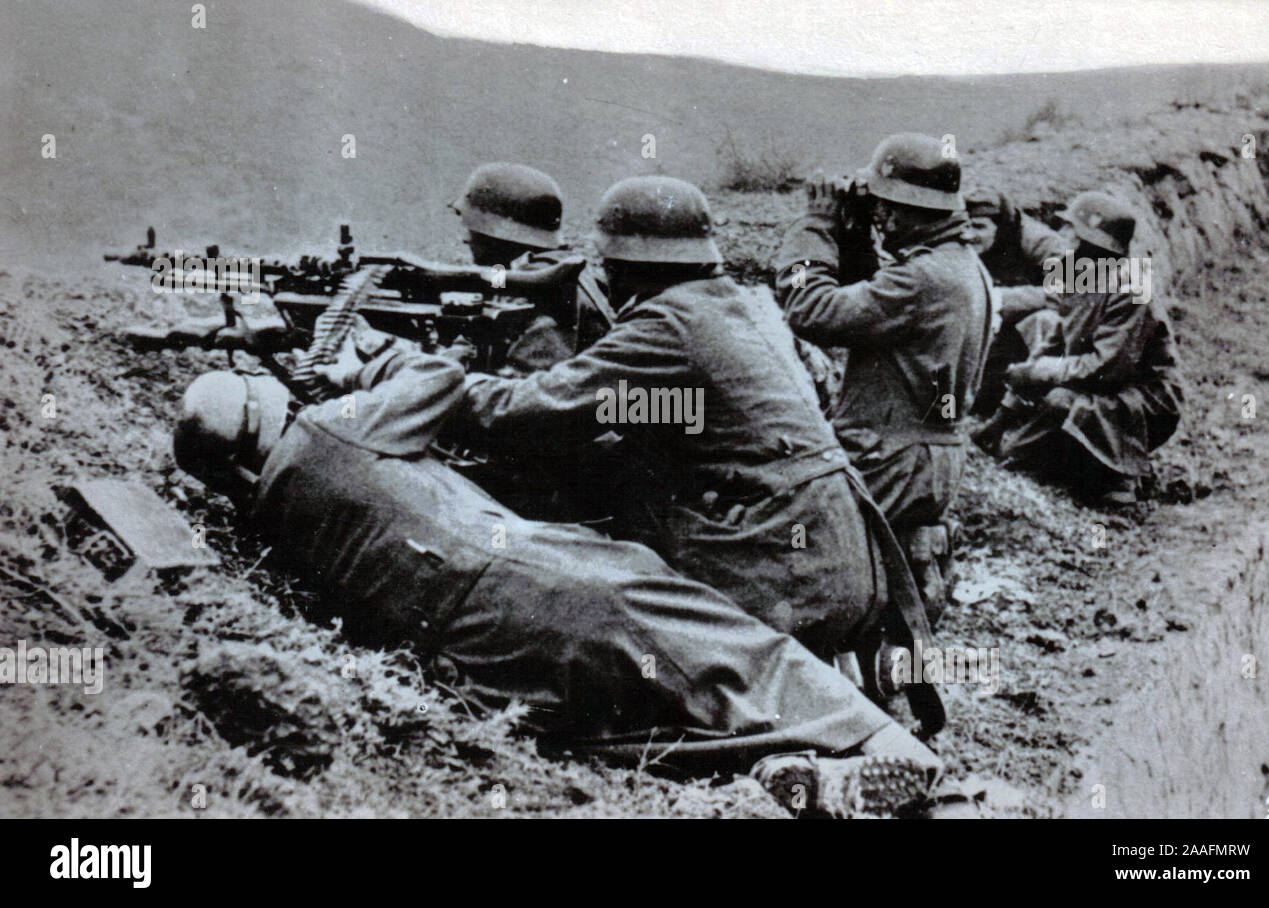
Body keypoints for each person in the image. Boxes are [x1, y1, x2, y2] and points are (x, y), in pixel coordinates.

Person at [171, 342, 949, 817]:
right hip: (525, 580)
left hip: (467, 658)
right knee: (723, 640)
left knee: (621, 724)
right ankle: (886, 747)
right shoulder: (321, 429)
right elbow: (439, 377)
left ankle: (786, 773)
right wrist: (371, 363)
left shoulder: (270, 512)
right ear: (257, 410)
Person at [459, 176, 937, 688]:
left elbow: (522, 409)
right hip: (837, 559)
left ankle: (784, 705)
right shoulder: (728, 304)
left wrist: (432, 376)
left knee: (591, 633)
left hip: (783, 567)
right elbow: (649, 412)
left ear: (625, 266)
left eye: (608, 265)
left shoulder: (668, 325)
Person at [774, 133, 994, 635]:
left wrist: (816, 225)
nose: (880, 220)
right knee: (882, 574)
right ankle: (891, 681)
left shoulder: (924, 278)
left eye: (885, 209)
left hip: (891, 456)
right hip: (926, 455)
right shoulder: (959, 267)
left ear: (908, 210)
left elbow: (809, 309)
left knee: (801, 552)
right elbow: (873, 306)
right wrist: (852, 240)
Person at [978, 192, 1182, 504]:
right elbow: (1057, 339)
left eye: (1073, 233)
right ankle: (1082, 464)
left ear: (1096, 245)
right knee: (1013, 452)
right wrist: (1003, 415)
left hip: (1141, 400)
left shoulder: (1131, 290)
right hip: (1095, 387)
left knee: (1060, 403)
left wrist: (1044, 372)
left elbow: (1106, 369)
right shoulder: (1081, 275)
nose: (1064, 239)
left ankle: (1119, 475)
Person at [453, 162, 613, 372]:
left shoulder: (543, 287)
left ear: (499, 234)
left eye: (473, 228)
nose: (466, 239)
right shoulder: (557, 271)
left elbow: (529, 385)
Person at [963, 188, 1072, 415]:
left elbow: (1073, 292)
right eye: (966, 226)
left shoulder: (1040, 242)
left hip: (1036, 334)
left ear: (1001, 227)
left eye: (980, 227)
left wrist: (1003, 298)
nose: (970, 235)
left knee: (1046, 321)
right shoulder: (960, 241)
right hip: (995, 329)